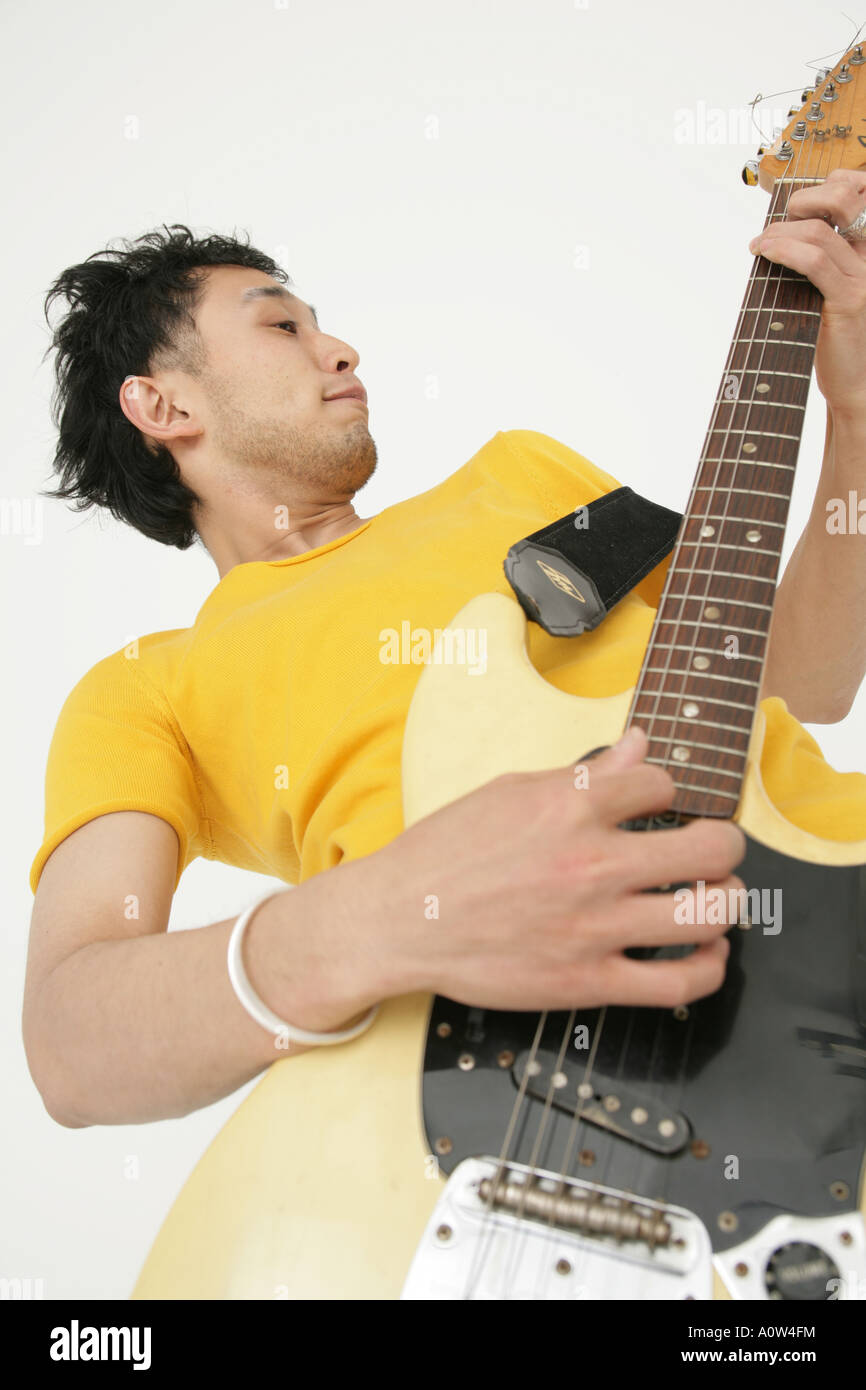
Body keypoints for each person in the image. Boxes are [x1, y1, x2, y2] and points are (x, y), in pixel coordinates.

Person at [22, 181, 866, 1129]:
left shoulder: (520, 475)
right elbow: (71, 1045)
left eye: (321, 324)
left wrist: (859, 417)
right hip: (510, 1104)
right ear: (160, 403)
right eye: (280, 329)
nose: (339, 349)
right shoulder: (146, 686)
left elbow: (797, 686)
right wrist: (396, 910)